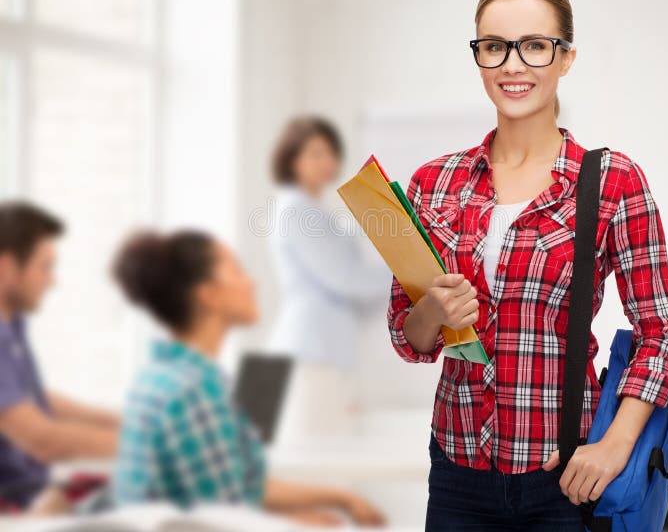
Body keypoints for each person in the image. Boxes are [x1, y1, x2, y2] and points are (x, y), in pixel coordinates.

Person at [385, 0, 668, 530]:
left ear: (565, 58)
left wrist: (614, 446)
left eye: (534, 46)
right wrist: (433, 310)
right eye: (495, 47)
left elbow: (659, 334)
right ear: (479, 57)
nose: (512, 66)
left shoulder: (612, 182)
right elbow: (409, 337)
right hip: (456, 473)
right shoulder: (435, 182)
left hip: (564, 480)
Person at [111, 229, 386, 527]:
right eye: (237, 271)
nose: (252, 281)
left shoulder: (163, 376)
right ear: (208, 295)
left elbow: (240, 487)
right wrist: (305, 522)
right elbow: (224, 518)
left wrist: (338, 498)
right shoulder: (196, 391)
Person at [266, 116, 389, 440]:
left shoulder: (311, 209)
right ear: (292, 158)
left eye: (331, 153)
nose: (328, 162)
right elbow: (346, 279)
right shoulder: (297, 210)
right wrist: (410, 274)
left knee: (323, 458)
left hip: (318, 354)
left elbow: (348, 286)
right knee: (316, 465)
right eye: (315, 153)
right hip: (309, 356)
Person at [0, 201, 119, 512]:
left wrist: (120, 421)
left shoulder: (11, 326)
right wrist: (146, 446)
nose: (52, 281)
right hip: (14, 505)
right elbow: (41, 440)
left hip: (33, 493)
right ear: (7, 267)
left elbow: (31, 399)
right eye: (45, 266)